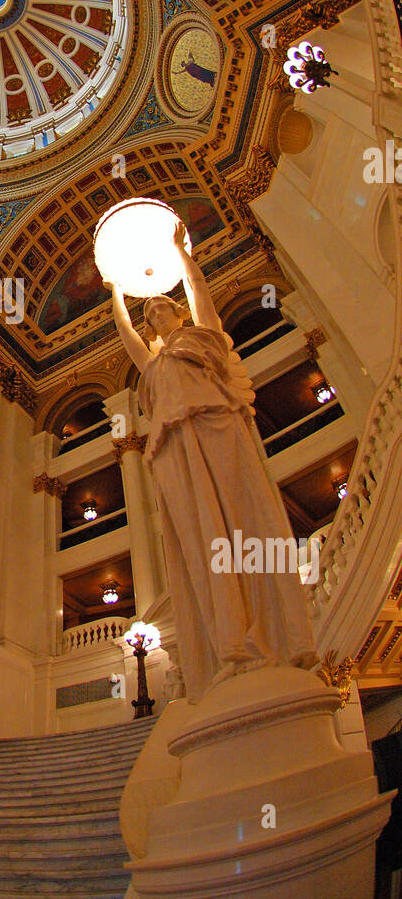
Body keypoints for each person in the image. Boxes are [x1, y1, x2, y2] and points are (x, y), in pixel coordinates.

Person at [108, 221, 316, 702]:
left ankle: (274, 634)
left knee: (243, 520)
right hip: (173, 449)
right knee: (202, 540)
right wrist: (116, 292)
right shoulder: (152, 364)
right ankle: (231, 648)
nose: (154, 309)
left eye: (162, 304)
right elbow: (123, 333)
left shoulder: (202, 337)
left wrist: (182, 254)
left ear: (176, 311)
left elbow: (200, 291)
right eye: (149, 309)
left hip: (217, 428)